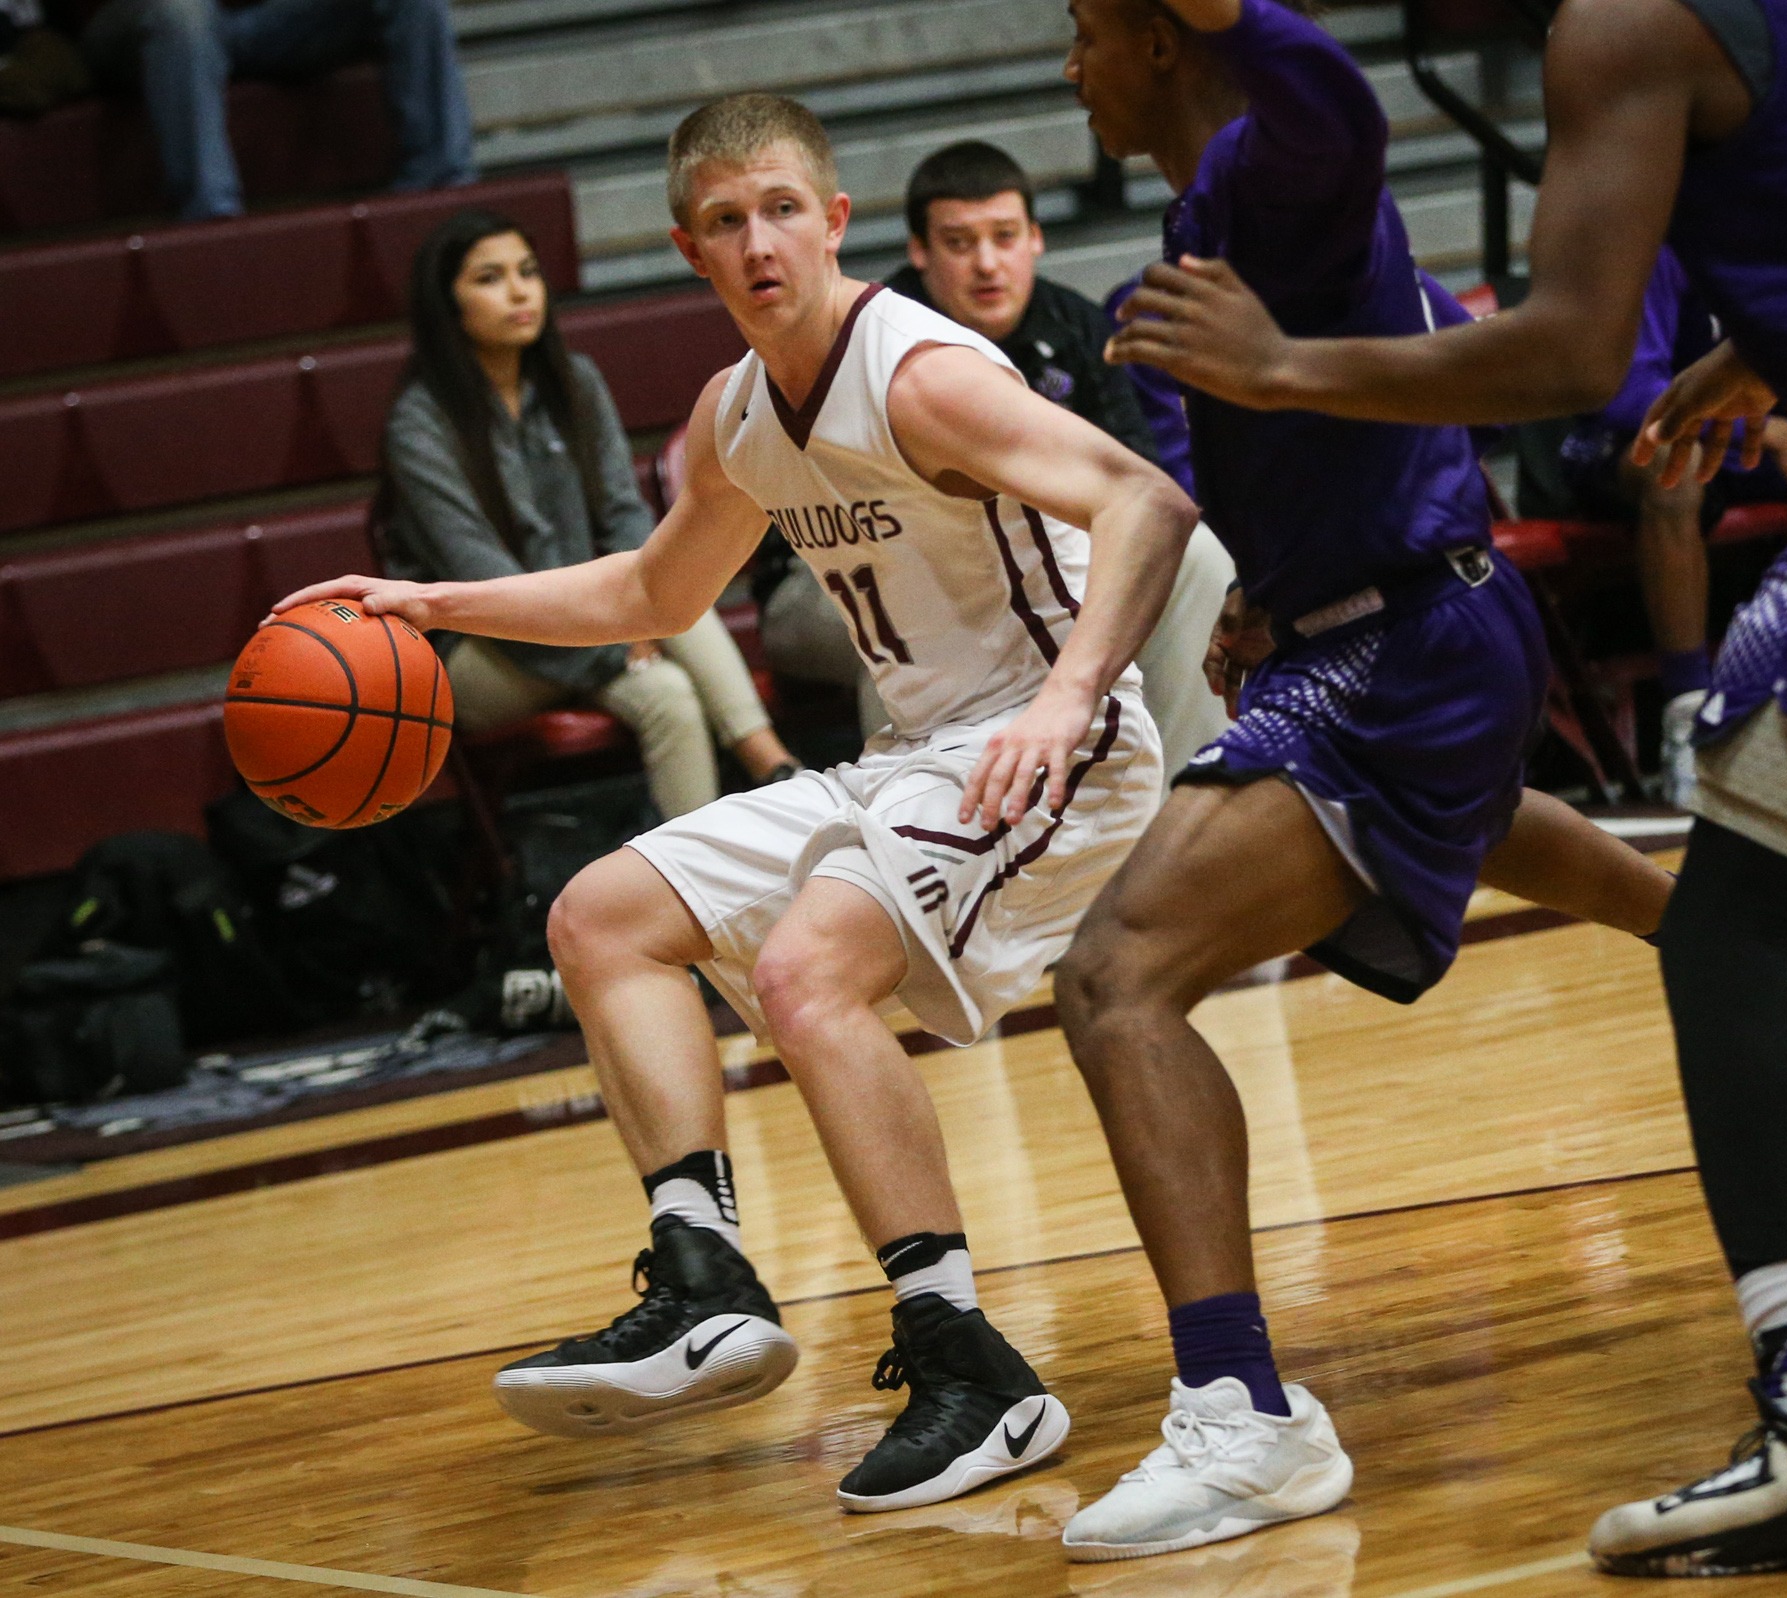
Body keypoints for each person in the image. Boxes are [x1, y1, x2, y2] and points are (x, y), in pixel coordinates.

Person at [1106, 0, 1787, 1574]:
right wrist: (1768, 340)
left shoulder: (1625, 20)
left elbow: (1577, 352)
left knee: (1734, 930)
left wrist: (1287, 363)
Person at [271, 92, 1196, 1512]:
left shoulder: (920, 377)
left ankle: (969, 1363)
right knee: (602, 917)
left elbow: (1144, 500)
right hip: (916, 752)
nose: (757, 242)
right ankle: (702, 1275)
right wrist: (427, 600)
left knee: (804, 969)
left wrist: (1070, 695)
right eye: (724, 221)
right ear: (689, 249)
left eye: (780, 210)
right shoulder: (740, 410)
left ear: (832, 223)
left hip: (1053, 739)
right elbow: (653, 592)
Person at [759, 136, 1234, 773]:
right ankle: (910, 830)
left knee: (1191, 552)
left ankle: (1180, 808)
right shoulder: (867, 336)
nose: (987, 264)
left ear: (1035, 239)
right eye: (959, 243)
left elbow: (1139, 479)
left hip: (1016, 561)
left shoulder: (1079, 327)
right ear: (919, 252)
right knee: (920, 595)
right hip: (837, 570)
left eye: (1004, 236)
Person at [378, 207, 800, 821]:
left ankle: (726, 853)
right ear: (448, 304)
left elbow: (624, 514)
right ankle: (773, 773)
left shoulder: (574, 382)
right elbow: (476, 574)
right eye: (489, 278)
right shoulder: (419, 422)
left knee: (671, 686)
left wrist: (638, 609)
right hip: (482, 650)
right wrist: (620, 629)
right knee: (669, 611)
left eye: (527, 271)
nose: (520, 290)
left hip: (594, 620)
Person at [1558, 247, 1787, 802]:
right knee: (1675, 473)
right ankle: (1687, 714)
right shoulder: (1656, 239)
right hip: (1636, 441)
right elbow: (1630, 399)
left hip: (1753, 442)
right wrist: (1772, 432)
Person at [80, 0, 475, 221]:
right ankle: (212, 217)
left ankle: (439, 186)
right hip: (148, 16)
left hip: (272, 17)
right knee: (181, 15)